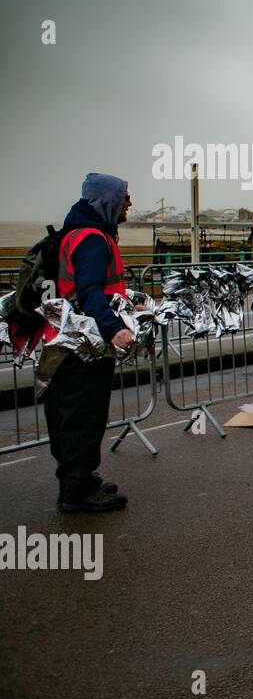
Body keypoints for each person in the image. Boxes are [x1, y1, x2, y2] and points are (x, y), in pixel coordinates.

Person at [45, 173, 136, 513]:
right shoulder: (93, 239)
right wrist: (115, 330)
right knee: (85, 416)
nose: (129, 203)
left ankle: (77, 480)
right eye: (124, 197)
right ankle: (77, 492)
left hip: (66, 340)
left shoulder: (76, 232)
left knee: (69, 414)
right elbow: (89, 293)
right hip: (84, 345)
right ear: (107, 200)